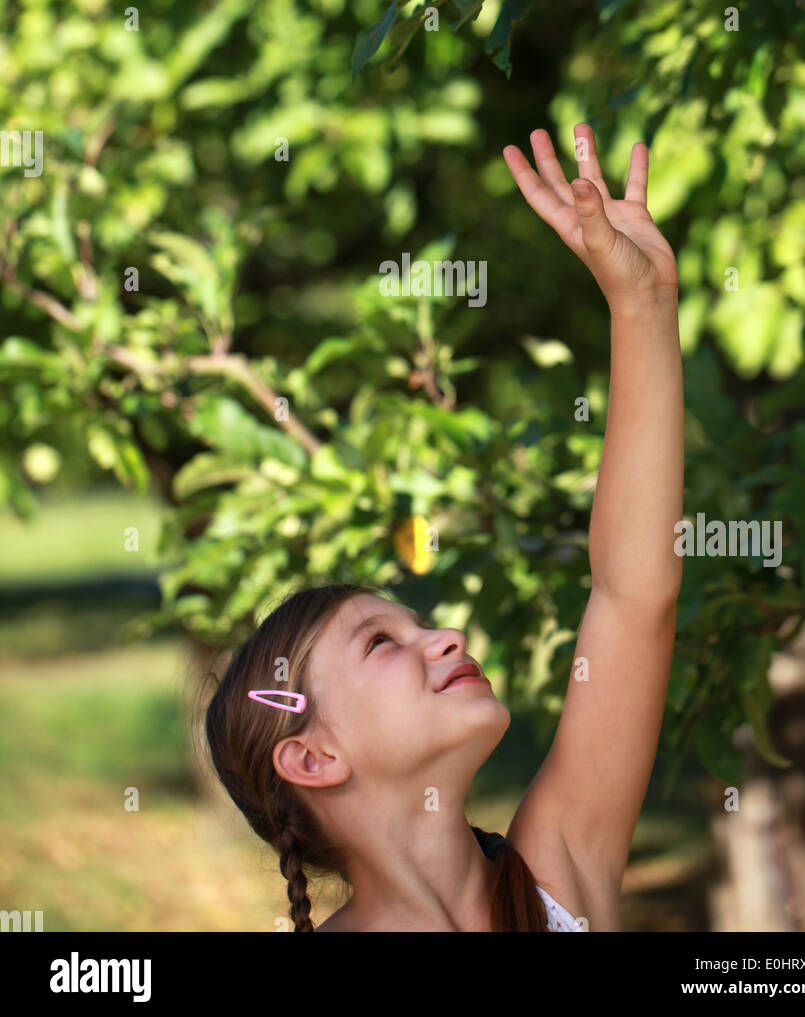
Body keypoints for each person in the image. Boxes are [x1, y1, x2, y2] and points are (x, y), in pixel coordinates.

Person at [204, 123, 684, 931]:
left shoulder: (553, 880)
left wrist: (642, 303)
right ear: (313, 756)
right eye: (382, 643)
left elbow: (633, 593)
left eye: (414, 625)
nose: (449, 637)